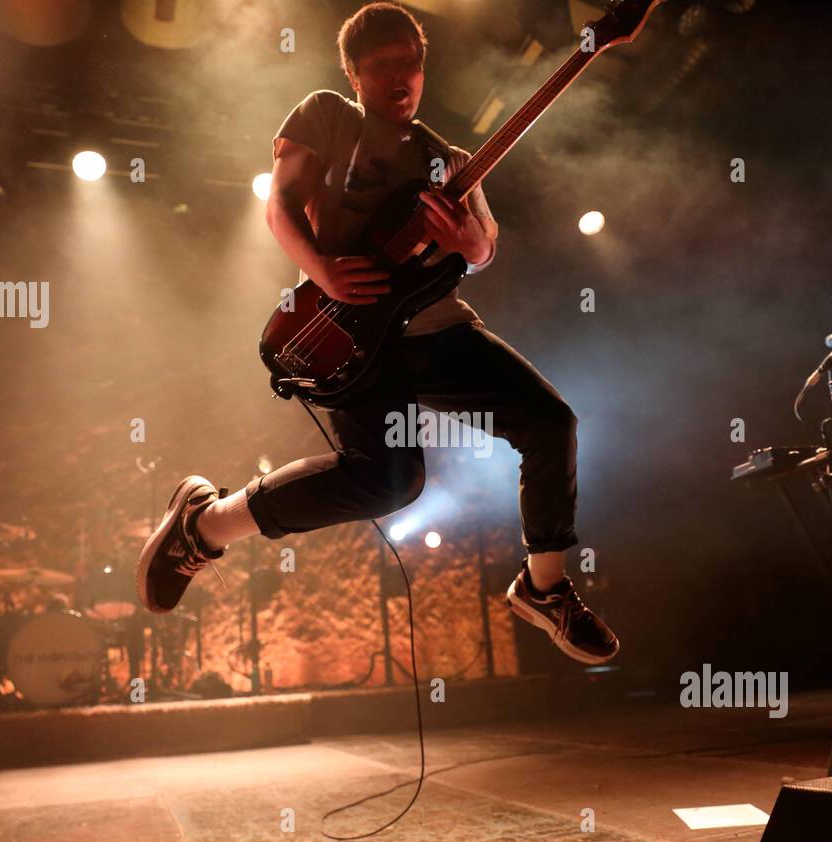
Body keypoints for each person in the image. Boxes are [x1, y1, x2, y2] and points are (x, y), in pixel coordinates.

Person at [138, 2, 618, 665]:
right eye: (384, 65)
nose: (401, 77)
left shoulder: (448, 159)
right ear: (353, 72)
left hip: (438, 332)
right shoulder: (327, 116)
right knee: (388, 484)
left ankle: (544, 588)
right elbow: (278, 205)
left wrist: (470, 241)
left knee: (551, 422)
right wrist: (325, 272)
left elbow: (483, 250)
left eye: (412, 64)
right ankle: (206, 523)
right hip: (354, 333)